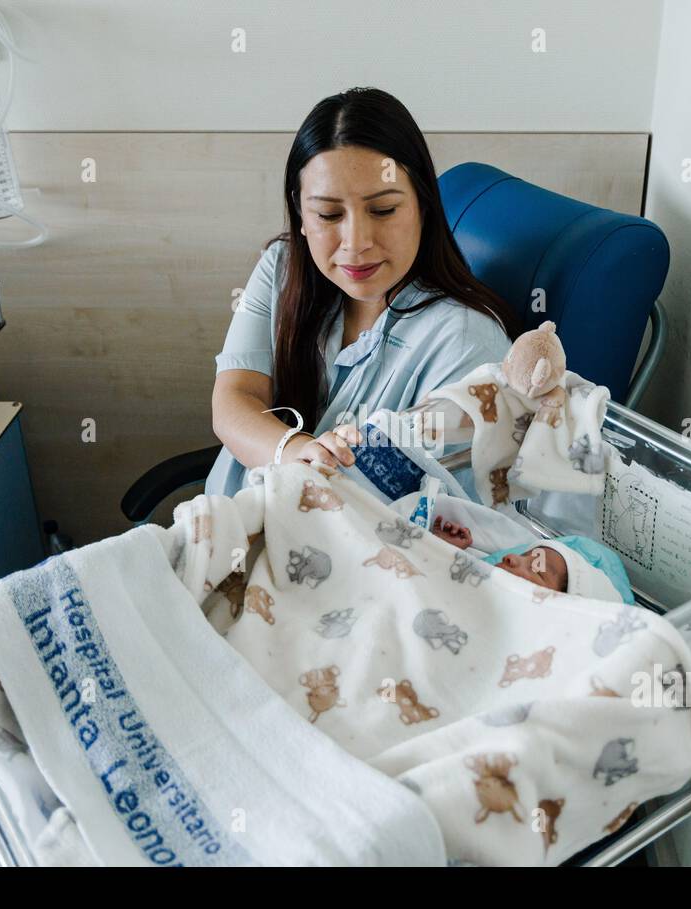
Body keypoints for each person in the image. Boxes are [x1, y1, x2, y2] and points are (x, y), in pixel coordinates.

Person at [206, 87, 523, 499]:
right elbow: (234, 398)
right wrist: (294, 450)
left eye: (383, 210)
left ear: (422, 207)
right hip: (219, 527)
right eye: (329, 214)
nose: (356, 243)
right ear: (301, 214)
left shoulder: (465, 342)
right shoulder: (281, 267)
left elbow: (437, 518)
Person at [430, 516, 633, 603]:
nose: (510, 557)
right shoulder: (470, 578)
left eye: (536, 570)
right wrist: (442, 551)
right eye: (525, 556)